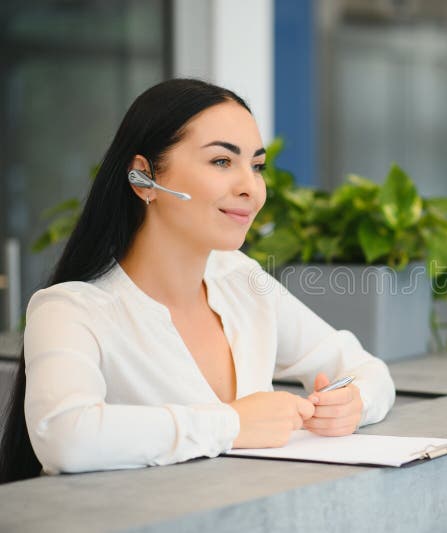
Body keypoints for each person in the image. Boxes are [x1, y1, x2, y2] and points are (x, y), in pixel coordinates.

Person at [0, 78, 395, 482]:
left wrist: (353, 403)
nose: (251, 189)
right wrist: (232, 425)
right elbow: (66, 438)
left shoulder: (240, 280)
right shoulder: (70, 311)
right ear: (143, 178)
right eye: (222, 162)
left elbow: (368, 370)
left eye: (256, 166)